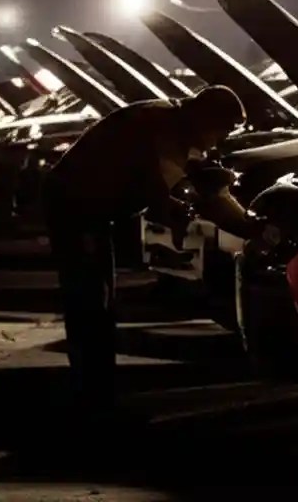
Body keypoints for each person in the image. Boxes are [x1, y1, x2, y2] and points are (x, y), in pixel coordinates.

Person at [43, 85, 262, 410]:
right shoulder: (160, 127)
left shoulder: (176, 122)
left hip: (91, 207)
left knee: (98, 297)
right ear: (206, 118)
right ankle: (91, 391)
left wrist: (250, 226)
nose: (222, 140)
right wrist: (185, 211)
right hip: (76, 205)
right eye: (223, 130)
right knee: (89, 296)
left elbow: (207, 194)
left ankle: (94, 383)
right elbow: (162, 197)